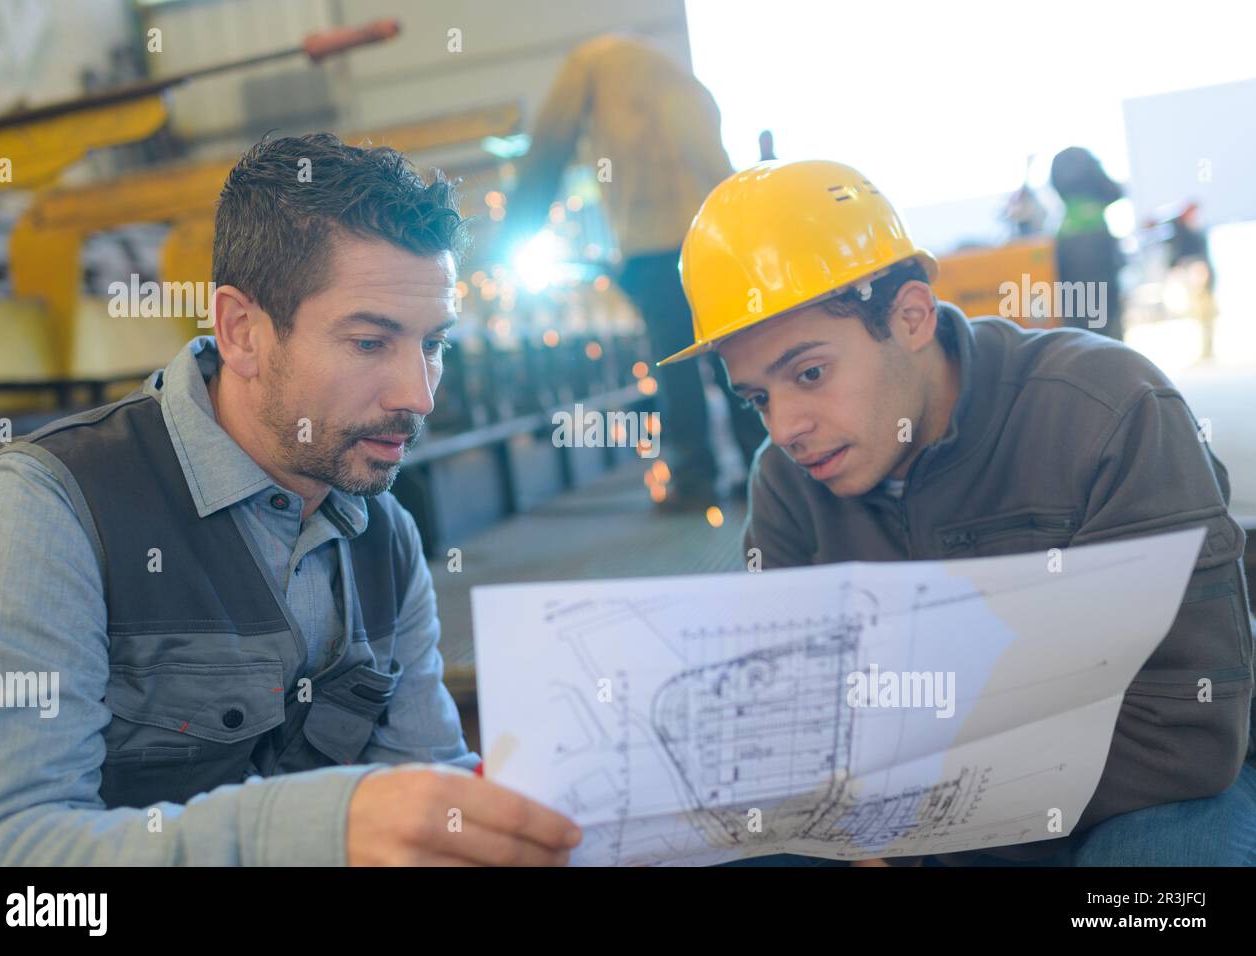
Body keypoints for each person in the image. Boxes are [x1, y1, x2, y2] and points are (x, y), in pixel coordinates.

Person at [0, 133, 581, 866]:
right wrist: (317, 829)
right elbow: (7, 862)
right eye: (369, 343)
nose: (418, 395)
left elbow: (431, 779)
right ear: (242, 332)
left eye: (433, 344)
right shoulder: (46, 511)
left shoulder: (385, 533)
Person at [657, 159, 1256, 866]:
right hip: (922, 818)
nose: (785, 427)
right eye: (758, 397)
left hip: (1136, 800)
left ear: (910, 317)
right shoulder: (787, 484)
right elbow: (795, 730)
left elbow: (1186, 732)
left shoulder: (1106, 412)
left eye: (810, 373)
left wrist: (915, 817)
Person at [504, 34, 764, 509]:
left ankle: (693, 478)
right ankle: (762, 473)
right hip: (717, 239)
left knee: (676, 361)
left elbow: (551, 143)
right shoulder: (679, 78)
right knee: (732, 354)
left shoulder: (589, 61)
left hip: (656, 242)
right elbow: (719, 164)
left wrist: (517, 227)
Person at [1050, 146, 1126, 341]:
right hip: (1096, 243)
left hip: (1067, 244)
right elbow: (1117, 192)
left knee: (1079, 319)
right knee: (1106, 321)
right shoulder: (1095, 202)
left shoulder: (1066, 215)